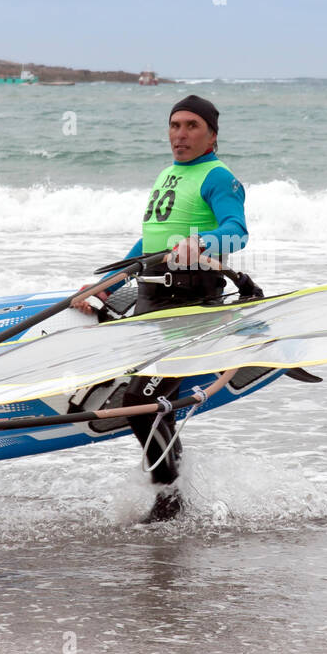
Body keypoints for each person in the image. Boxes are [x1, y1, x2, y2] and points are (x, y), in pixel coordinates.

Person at [76, 95, 248, 521]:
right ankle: (174, 496)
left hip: (189, 307)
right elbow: (151, 245)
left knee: (140, 401)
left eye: (191, 126)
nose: (180, 134)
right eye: (174, 125)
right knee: (145, 402)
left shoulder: (219, 178)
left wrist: (203, 242)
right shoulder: (168, 174)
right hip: (151, 303)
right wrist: (109, 280)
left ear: (211, 134)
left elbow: (237, 233)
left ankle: (169, 498)